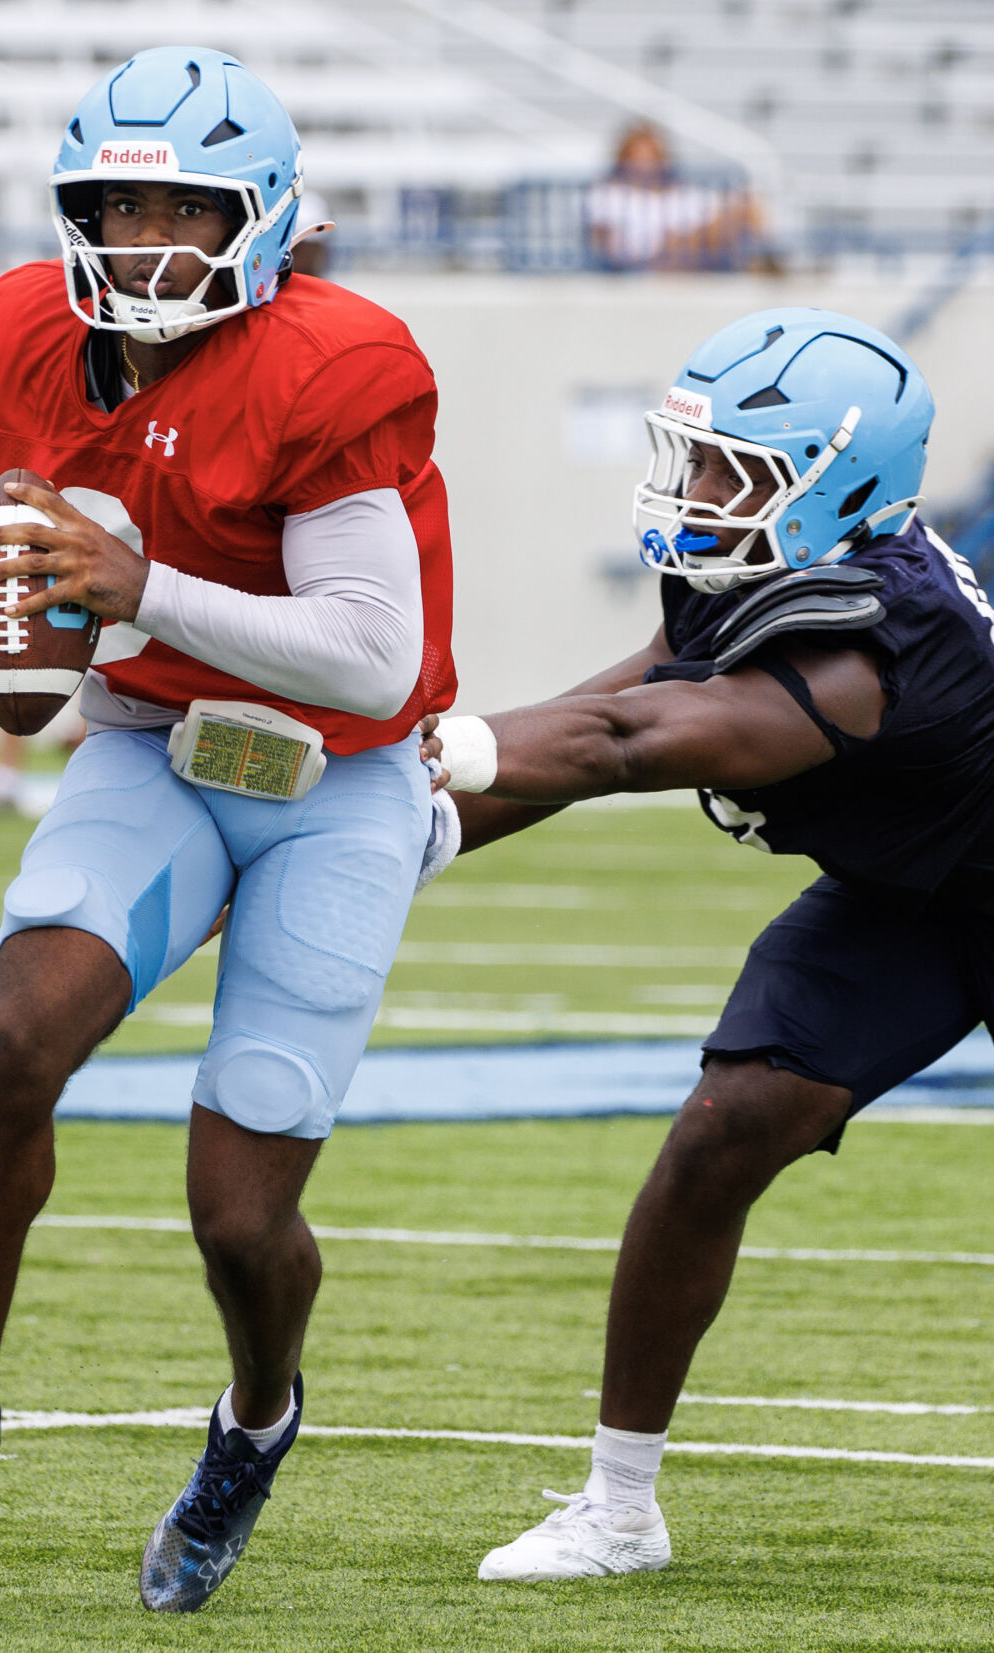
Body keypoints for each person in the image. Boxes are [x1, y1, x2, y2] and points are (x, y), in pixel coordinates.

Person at [0, 45, 456, 1613]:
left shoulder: (335, 359)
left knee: (238, 1208)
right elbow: (14, 685)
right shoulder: (23, 337)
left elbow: (375, 652)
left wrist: (136, 586)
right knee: (19, 1033)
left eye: (184, 205)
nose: (146, 237)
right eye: (118, 203)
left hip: (342, 778)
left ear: (265, 220)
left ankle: (255, 1418)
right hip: (152, 743)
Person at [421, 307, 991, 1582]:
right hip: (913, 895)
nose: (698, 494)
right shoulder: (771, 565)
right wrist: (417, 829)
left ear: (837, 484)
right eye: (696, 460)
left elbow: (630, 746)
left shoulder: (876, 652)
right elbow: (621, 698)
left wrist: (417, 745)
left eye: (736, 471)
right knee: (722, 1125)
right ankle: (619, 1509)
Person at [585, 122, 766, 273]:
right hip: (651, 258)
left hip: (694, 246)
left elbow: (710, 212)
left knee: (746, 203)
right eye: (638, 156)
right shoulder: (609, 193)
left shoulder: (678, 191)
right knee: (688, 240)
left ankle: (766, 257)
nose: (645, 163)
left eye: (650, 156)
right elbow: (604, 238)